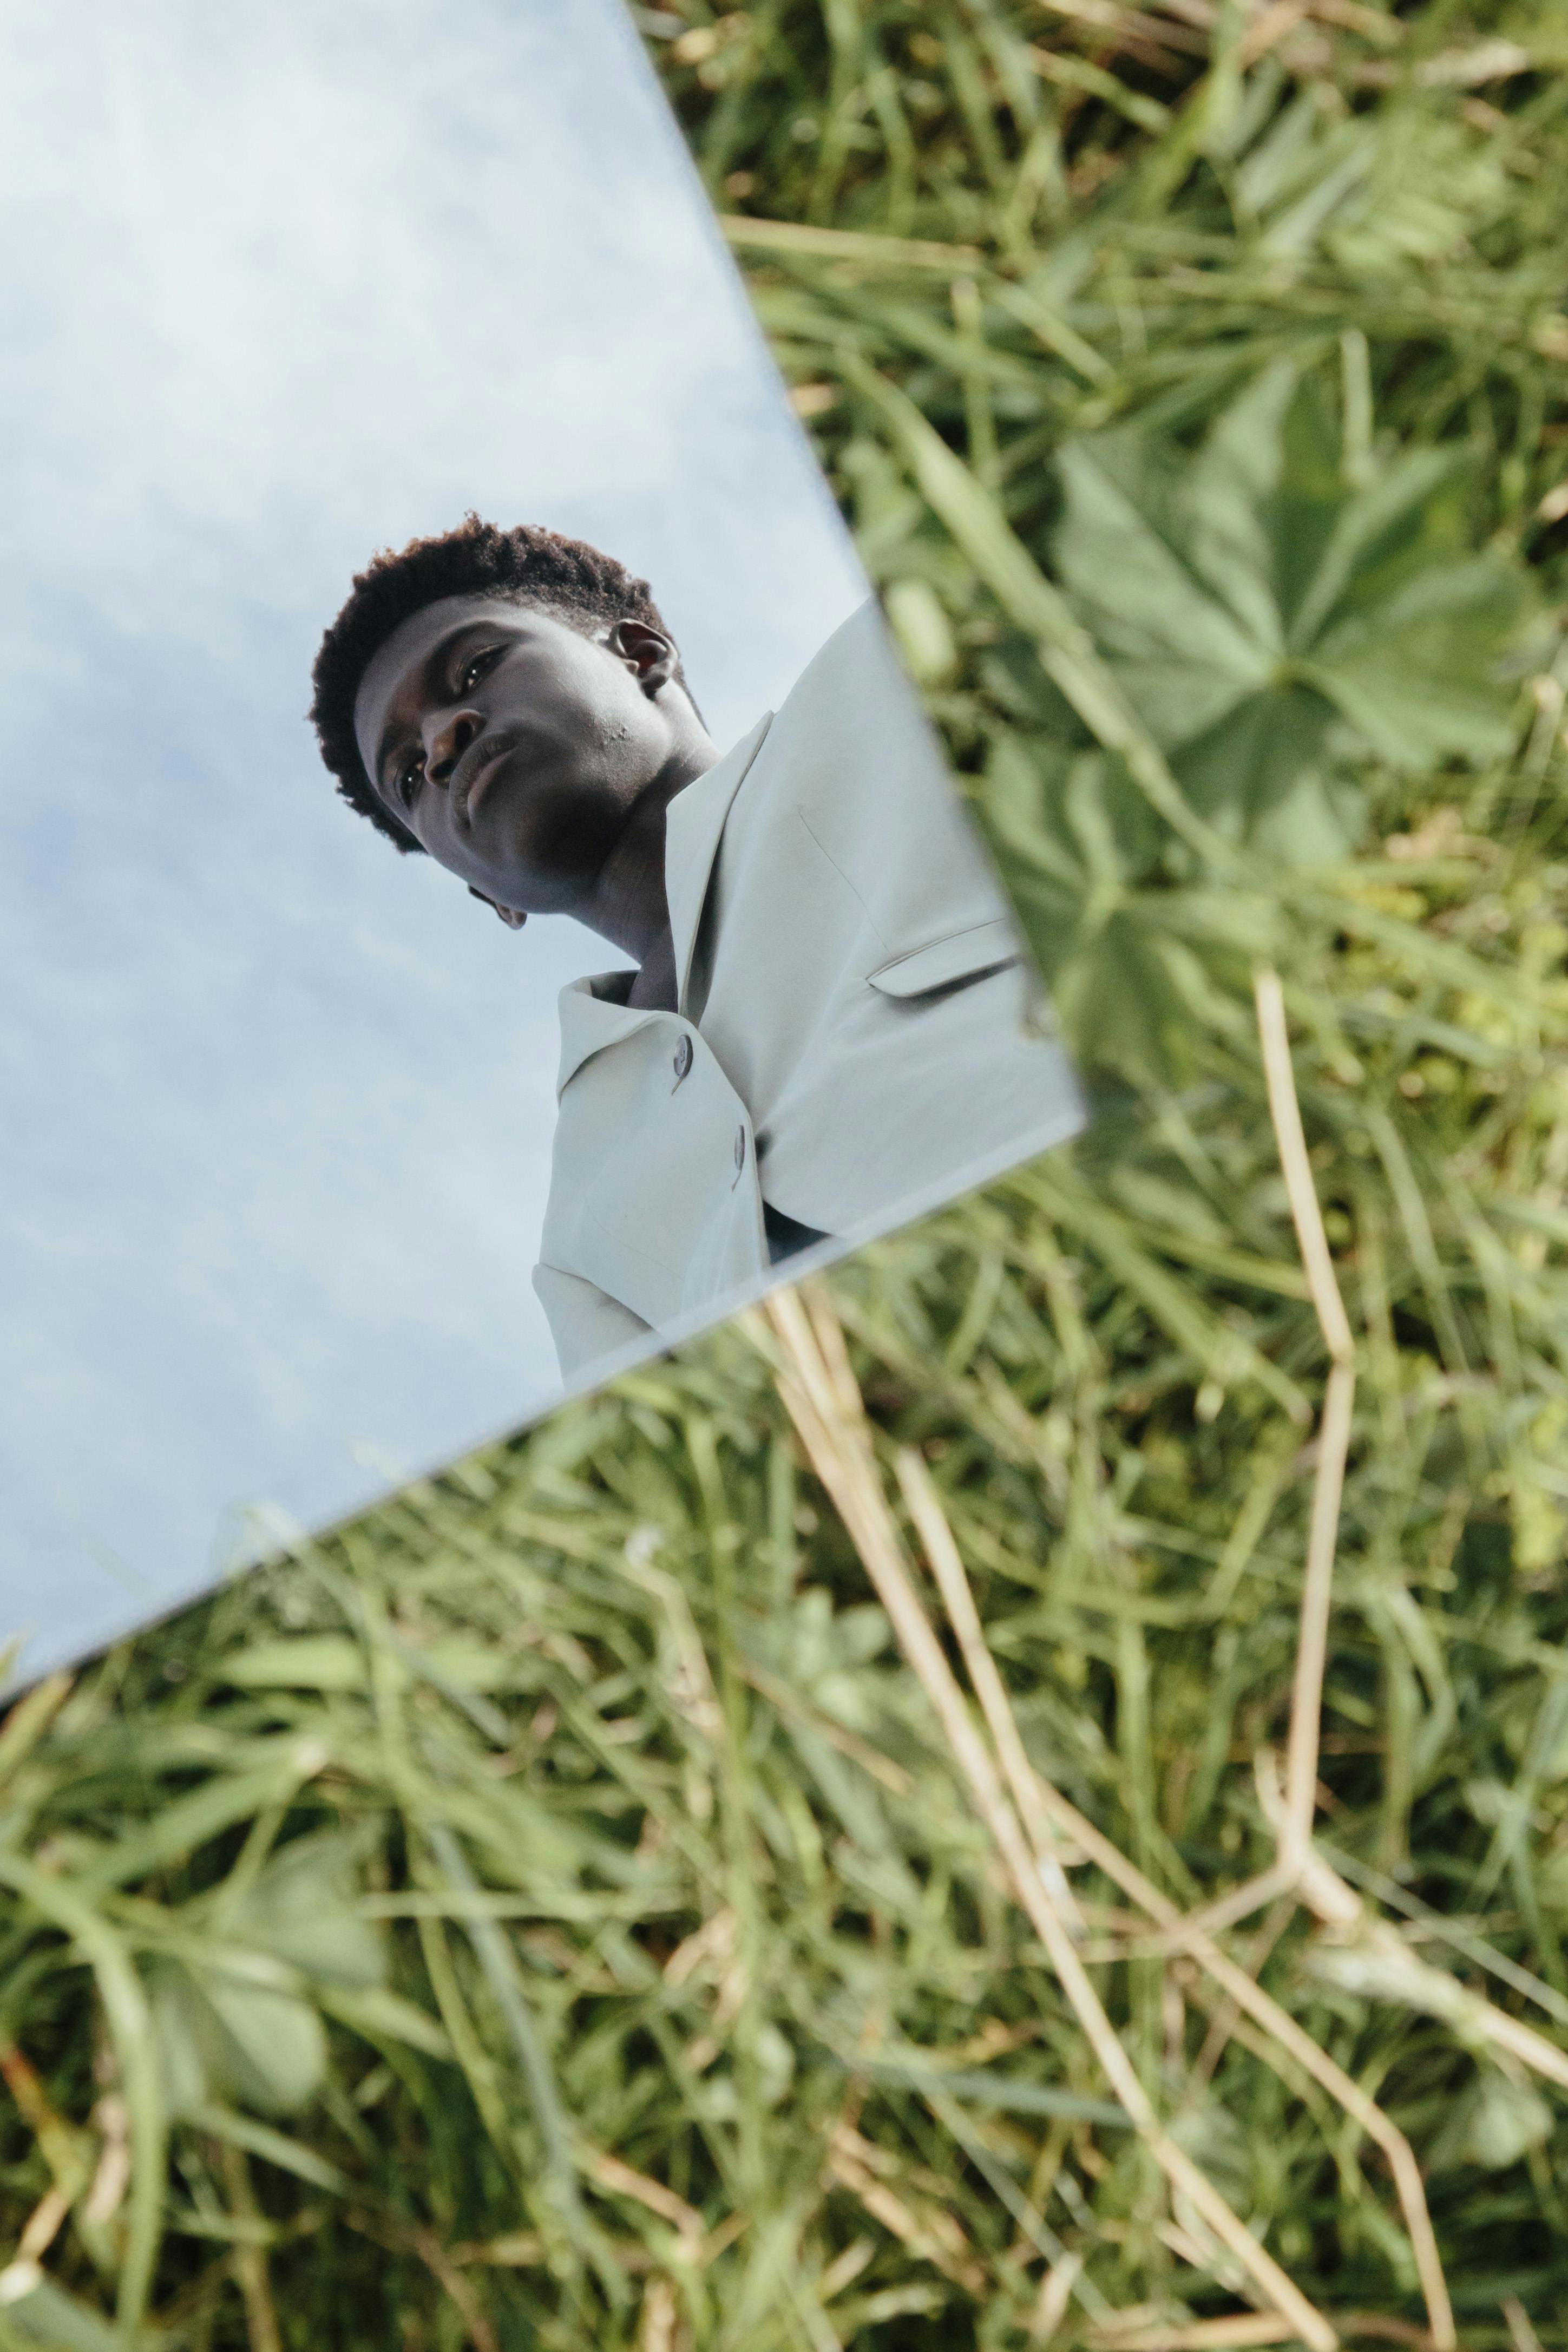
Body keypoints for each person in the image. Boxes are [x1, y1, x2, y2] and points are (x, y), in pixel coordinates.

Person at [310, 516, 1082, 1377]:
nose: (442, 739)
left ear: (640, 653)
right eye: (409, 775)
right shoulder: (579, 1236)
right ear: (487, 897)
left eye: (476, 668)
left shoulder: (889, 688)